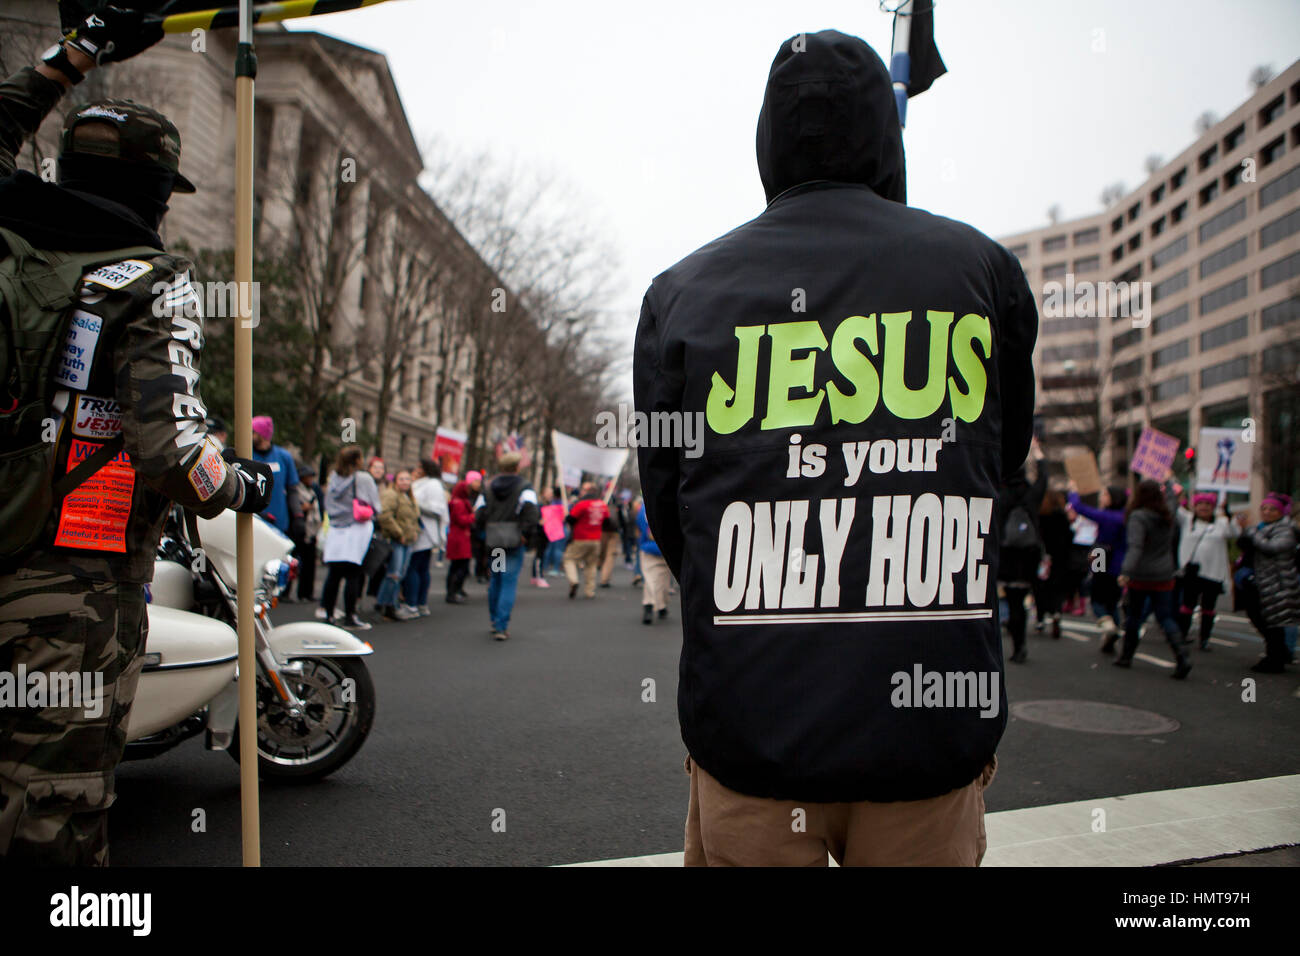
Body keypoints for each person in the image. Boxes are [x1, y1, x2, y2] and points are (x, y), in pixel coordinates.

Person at [633, 31, 1035, 866]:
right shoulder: (980, 269)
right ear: (884, 137)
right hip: (928, 735)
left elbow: (671, 509)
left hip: (753, 722)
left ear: (767, 139)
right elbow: (1000, 469)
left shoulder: (683, 291)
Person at [0, 8, 275, 865]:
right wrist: (241, 484)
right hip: (64, 587)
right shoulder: (151, 282)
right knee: (53, 804)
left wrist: (73, 53)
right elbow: (171, 454)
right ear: (156, 196)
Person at [1114, 479, 1191, 678]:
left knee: (1134, 616)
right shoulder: (1167, 515)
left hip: (1141, 574)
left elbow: (1136, 547)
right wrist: (1170, 480)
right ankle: (1182, 655)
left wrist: (1126, 571)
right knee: (1165, 616)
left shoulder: (1138, 517)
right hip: (1164, 573)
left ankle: (1126, 656)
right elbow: (1173, 501)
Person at [473, 452, 539, 640]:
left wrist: (483, 533)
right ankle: (502, 626)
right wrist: (525, 534)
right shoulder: (525, 487)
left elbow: (479, 513)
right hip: (514, 540)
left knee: (496, 579)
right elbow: (532, 513)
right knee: (508, 582)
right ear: (517, 467)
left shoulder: (488, 486)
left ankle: (494, 620)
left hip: (496, 542)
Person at [1235, 493, 1299, 673]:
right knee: (1262, 617)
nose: (1267, 512)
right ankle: (1277, 653)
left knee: (1273, 621)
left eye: (1272, 509)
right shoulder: (1262, 528)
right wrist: (1245, 530)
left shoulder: (1286, 529)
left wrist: (1251, 531)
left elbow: (1270, 547)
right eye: (1264, 508)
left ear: (1281, 512)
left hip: (1279, 582)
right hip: (1263, 582)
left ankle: (1276, 658)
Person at [319, 446, 380, 631]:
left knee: (334, 575)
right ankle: (350, 616)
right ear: (358, 460)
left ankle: (329, 614)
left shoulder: (335, 478)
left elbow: (328, 503)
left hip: (337, 529)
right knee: (353, 574)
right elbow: (375, 504)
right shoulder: (363, 478)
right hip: (356, 528)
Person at [1066, 482, 1128, 652]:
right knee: (1112, 602)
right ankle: (1112, 634)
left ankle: (1107, 625)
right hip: (1120, 564)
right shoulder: (1126, 516)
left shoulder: (1108, 517)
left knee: (1096, 598)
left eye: (1105, 495)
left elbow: (1079, 507)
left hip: (1101, 557)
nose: (1102, 498)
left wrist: (1073, 491)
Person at [998, 454, 1047, 664]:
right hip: (1028, 556)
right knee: (1022, 602)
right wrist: (1040, 458)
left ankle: (1015, 644)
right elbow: (1043, 481)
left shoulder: (1000, 493)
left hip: (1006, 555)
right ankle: (1022, 643)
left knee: (1010, 600)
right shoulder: (1031, 494)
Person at [1171, 488, 1233, 651]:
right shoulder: (1187, 520)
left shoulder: (1221, 523)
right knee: (1187, 605)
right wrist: (1174, 489)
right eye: (1200, 504)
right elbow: (1174, 507)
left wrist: (1227, 512)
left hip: (1213, 572)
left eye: (1207, 504)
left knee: (1208, 607)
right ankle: (1182, 635)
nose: (1203, 507)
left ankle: (1204, 639)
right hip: (1192, 572)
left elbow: (1234, 532)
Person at [403, 459, 447, 616]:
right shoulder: (423, 483)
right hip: (421, 531)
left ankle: (413, 604)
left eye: (420, 467)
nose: (417, 469)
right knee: (420, 568)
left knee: (414, 568)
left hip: (424, 532)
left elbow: (437, 509)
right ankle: (420, 603)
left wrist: (414, 505)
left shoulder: (432, 485)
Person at [376, 468, 420, 621]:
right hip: (396, 540)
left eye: (408, 479)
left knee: (399, 574)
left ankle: (387, 603)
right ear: (395, 481)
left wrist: (415, 532)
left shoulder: (408, 497)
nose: (405, 482)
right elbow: (385, 515)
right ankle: (387, 605)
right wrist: (398, 533)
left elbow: (413, 519)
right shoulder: (391, 495)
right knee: (394, 574)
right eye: (401, 479)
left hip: (407, 541)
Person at [1032, 487, 1071, 641]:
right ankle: (1056, 612)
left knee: (1040, 589)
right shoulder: (1063, 517)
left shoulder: (1041, 515)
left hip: (1043, 558)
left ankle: (1040, 619)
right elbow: (1069, 538)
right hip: (1060, 559)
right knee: (1057, 589)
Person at [564, 482, 614, 600]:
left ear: (586, 492)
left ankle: (574, 580)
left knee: (569, 559)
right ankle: (590, 591)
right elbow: (607, 522)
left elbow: (571, 519)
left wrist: (566, 517)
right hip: (596, 539)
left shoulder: (582, 504)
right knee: (591, 565)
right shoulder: (602, 505)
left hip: (580, 538)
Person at [445, 470, 480, 604]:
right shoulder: (459, 503)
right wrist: (473, 516)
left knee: (457, 566)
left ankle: (454, 591)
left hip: (459, 536)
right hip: (460, 537)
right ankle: (452, 592)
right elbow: (461, 519)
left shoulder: (459, 502)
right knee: (460, 567)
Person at [638, 497, 672, 625]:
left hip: (648, 547)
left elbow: (640, 525)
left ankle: (649, 603)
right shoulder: (671, 505)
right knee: (664, 579)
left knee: (650, 578)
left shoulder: (644, 509)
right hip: (667, 548)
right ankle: (662, 605)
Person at [293, 463, 324, 602]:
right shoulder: (296, 490)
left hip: (311, 531)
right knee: (298, 563)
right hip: (300, 530)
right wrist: (303, 508)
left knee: (310, 564)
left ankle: (308, 592)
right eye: (308, 477)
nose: (310, 479)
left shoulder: (313, 491)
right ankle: (294, 593)